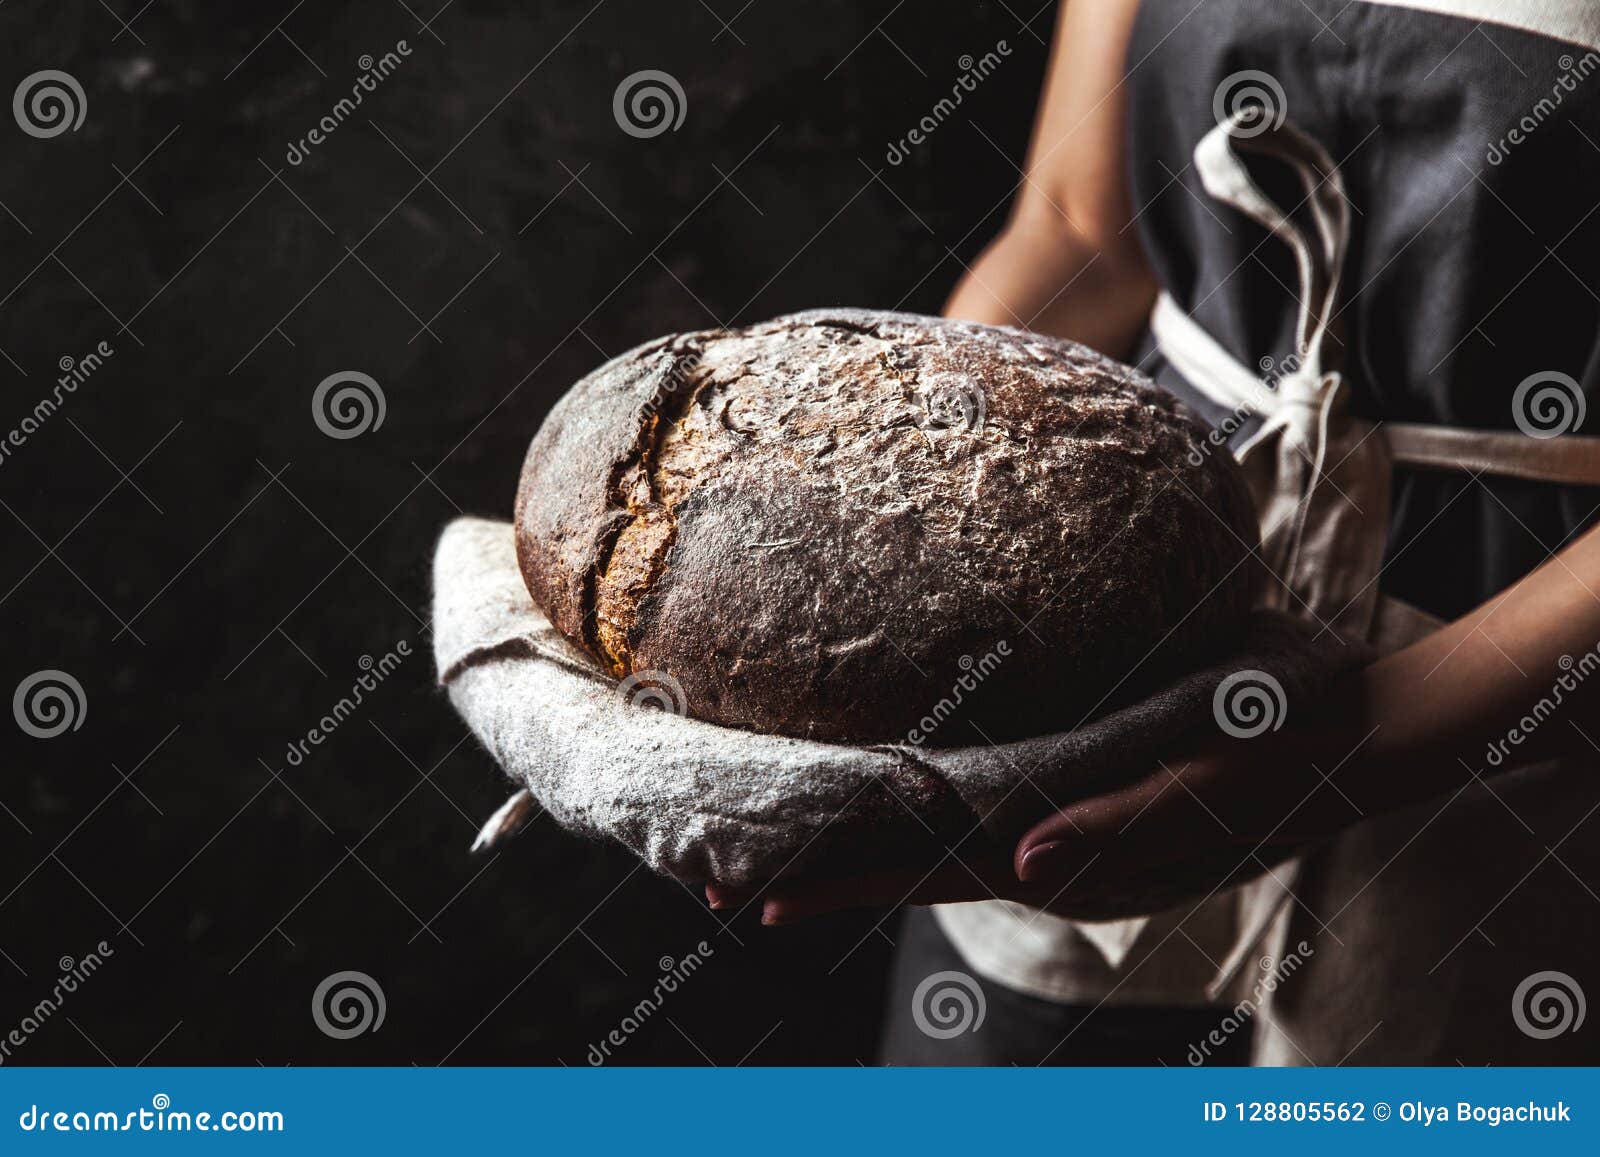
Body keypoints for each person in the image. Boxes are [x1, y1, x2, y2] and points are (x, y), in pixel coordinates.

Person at [714, 0, 1600, 1064]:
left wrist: (1334, 758)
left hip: (1507, 711)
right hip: (1110, 639)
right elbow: (1079, 237)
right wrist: (902, 512)